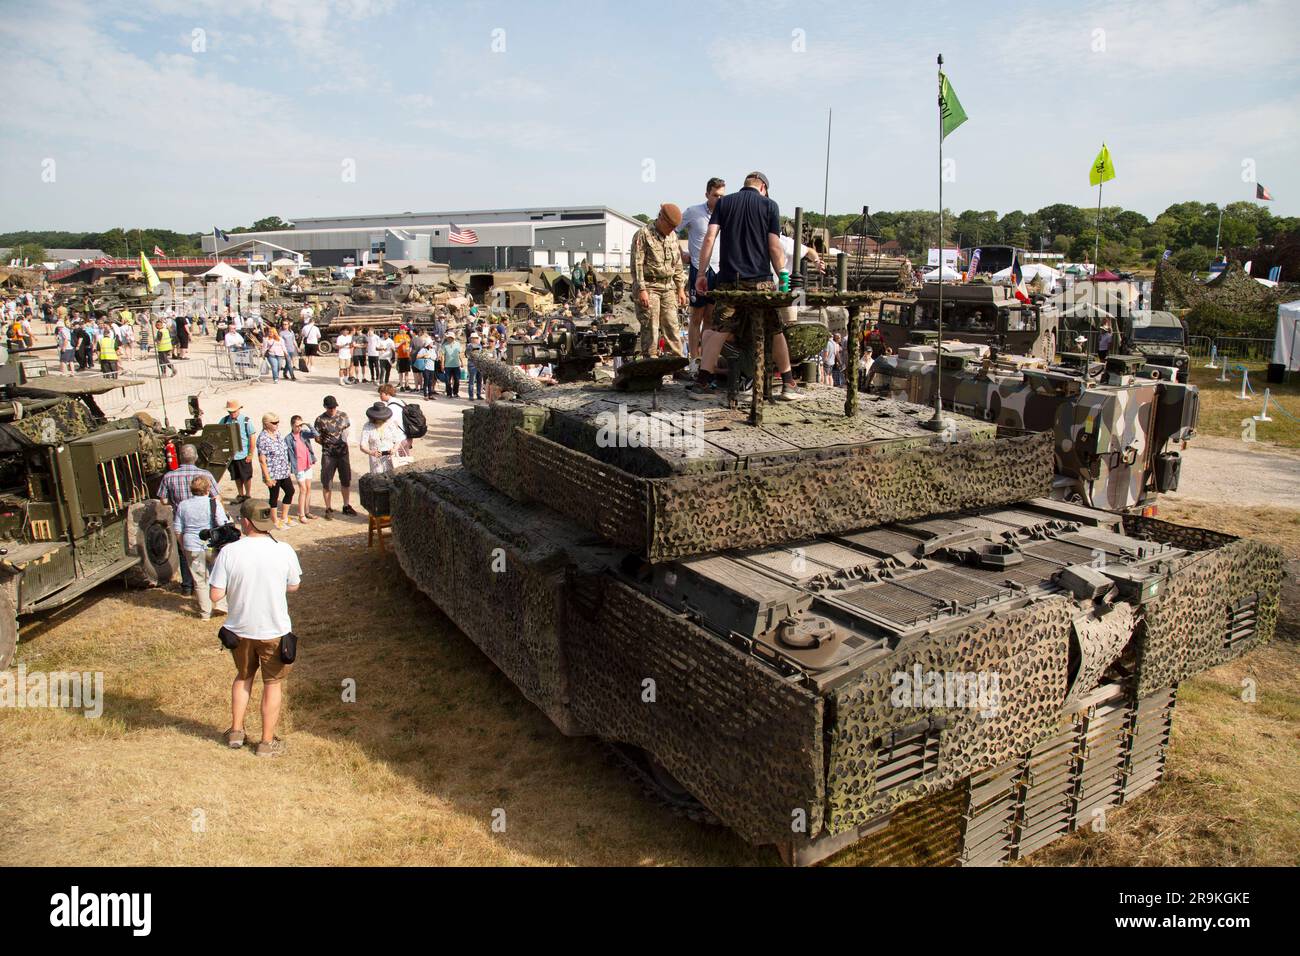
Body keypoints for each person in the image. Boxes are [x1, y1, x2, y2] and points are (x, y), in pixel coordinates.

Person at [690, 171, 805, 401]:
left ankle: (702, 383)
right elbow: (774, 246)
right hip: (760, 283)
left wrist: (701, 273)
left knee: (717, 329)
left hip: (728, 281)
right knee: (774, 330)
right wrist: (783, 276)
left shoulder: (724, 203)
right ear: (763, 187)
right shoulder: (769, 205)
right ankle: (788, 383)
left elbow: (710, 238)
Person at [209, 498, 302, 757]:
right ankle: (266, 742)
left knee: (243, 677)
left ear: (246, 522)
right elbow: (294, 585)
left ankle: (236, 731)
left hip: (239, 630)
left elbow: (215, 595)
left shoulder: (229, 552)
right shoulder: (283, 550)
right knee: (273, 684)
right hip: (274, 629)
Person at [158, 443, 220, 598]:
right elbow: (216, 496)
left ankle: (187, 587)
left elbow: (163, 500)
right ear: (196, 457)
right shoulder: (205, 475)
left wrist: (174, 502)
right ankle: (212, 585)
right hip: (205, 521)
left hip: (184, 522)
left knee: (184, 553)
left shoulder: (169, 476)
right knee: (210, 552)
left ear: (179, 458)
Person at [630, 202, 687, 358]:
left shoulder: (673, 236)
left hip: (668, 287)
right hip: (649, 286)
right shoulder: (643, 234)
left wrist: (681, 288)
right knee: (651, 328)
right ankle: (651, 363)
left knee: (672, 326)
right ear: (661, 219)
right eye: (670, 226)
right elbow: (637, 265)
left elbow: (678, 264)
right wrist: (642, 290)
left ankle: (676, 364)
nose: (671, 231)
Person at [682, 177, 726, 367]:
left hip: (718, 269)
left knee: (710, 317)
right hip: (699, 268)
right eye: (715, 195)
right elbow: (673, 230)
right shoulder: (694, 212)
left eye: (722, 196)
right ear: (707, 194)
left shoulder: (726, 213)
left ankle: (706, 360)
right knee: (696, 316)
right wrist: (680, 252)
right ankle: (693, 358)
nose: (718, 199)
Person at [173, 475, 230, 620]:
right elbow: (222, 522)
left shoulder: (183, 505)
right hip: (211, 545)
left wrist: (183, 546)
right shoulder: (213, 503)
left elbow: (178, 530)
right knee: (217, 575)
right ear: (208, 489)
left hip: (191, 545)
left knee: (200, 580)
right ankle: (221, 604)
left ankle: (205, 613)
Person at [313, 395, 358, 519]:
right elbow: (317, 437)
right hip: (328, 454)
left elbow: (349, 431)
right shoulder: (320, 420)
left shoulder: (343, 416)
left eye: (334, 407)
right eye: (330, 408)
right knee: (327, 482)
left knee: (346, 480)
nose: (332, 409)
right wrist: (326, 443)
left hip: (343, 453)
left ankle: (346, 505)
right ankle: (328, 508)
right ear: (325, 407)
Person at [256, 413, 295, 529]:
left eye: (277, 422)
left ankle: (284, 517)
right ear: (266, 424)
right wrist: (267, 477)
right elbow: (262, 460)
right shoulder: (263, 438)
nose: (276, 425)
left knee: (290, 491)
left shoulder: (277, 433)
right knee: (274, 496)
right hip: (272, 472)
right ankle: (274, 520)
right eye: (274, 423)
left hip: (283, 470)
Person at [359, 401, 411, 474]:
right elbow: (362, 446)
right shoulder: (368, 426)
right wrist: (372, 452)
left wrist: (394, 449)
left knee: (392, 478)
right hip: (375, 460)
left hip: (391, 458)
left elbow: (398, 441)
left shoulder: (391, 424)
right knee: (377, 479)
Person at [221, 400, 257, 503]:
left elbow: (252, 437)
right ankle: (240, 494)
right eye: (230, 412)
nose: (232, 414)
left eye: (234, 411)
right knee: (236, 476)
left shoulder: (246, 421)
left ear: (239, 409)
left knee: (246, 476)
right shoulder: (224, 421)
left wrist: (250, 453)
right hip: (232, 455)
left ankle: (248, 494)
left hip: (243, 454)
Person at [286, 416, 318, 522]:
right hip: (298, 466)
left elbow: (316, 434)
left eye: (300, 425)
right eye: (297, 426)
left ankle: (307, 511)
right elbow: (289, 454)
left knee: (308, 488)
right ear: (292, 425)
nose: (299, 428)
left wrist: (308, 424)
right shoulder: (288, 438)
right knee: (303, 489)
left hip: (307, 463)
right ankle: (301, 514)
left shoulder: (303, 433)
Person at [441, 332, 463, 398]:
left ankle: (455, 392)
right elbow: (442, 356)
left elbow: (460, 354)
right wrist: (442, 364)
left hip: (456, 365)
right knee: (447, 380)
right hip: (447, 365)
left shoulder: (458, 344)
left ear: (453, 338)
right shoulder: (444, 345)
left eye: (449, 337)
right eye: (448, 337)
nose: (448, 339)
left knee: (457, 380)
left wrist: (461, 362)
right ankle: (449, 393)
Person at [465, 332, 485, 400]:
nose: (475, 339)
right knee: (472, 381)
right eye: (474, 338)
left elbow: (482, 354)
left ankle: (478, 394)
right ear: (471, 339)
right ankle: (471, 396)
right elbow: (467, 355)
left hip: (479, 364)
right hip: (472, 365)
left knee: (479, 380)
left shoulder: (480, 345)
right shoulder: (469, 345)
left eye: (476, 338)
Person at [394, 325, 413, 391]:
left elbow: (410, 345)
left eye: (406, 330)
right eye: (405, 329)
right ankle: (401, 386)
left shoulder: (407, 336)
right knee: (401, 372)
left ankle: (407, 385)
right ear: (401, 329)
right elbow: (396, 346)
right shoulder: (397, 336)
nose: (406, 331)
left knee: (407, 372)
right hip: (401, 356)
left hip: (407, 356)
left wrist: (409, 350)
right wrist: (402, 342)